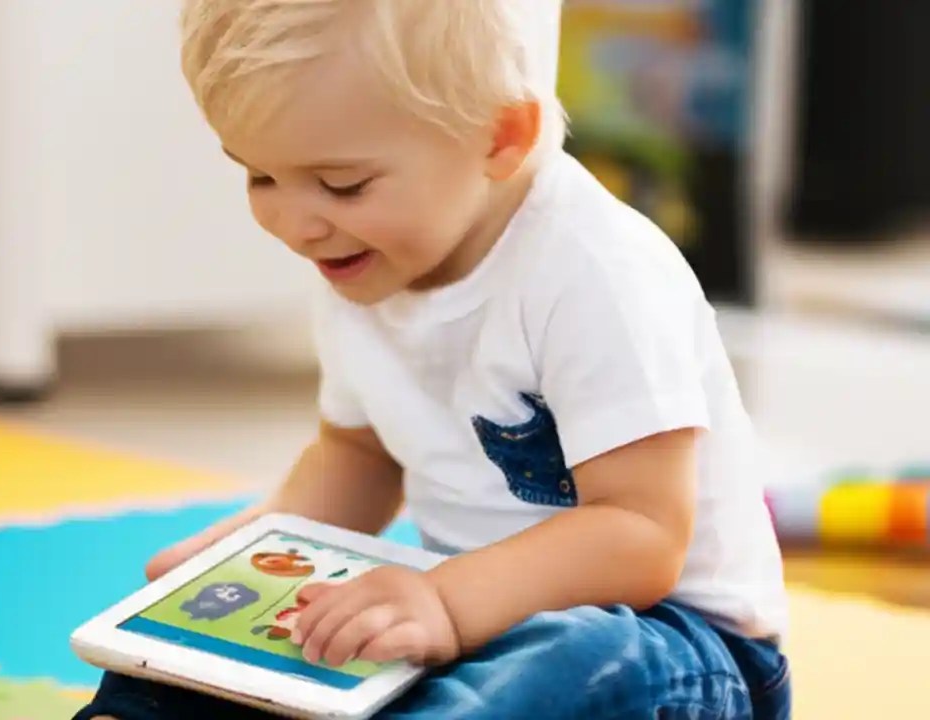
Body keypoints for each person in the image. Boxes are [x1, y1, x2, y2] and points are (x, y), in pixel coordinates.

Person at [77, 1, 789, 717]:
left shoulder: (595, 271)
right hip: (461, 615)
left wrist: (448, 601)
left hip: (675, 646)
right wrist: (246, 556)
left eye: (343, 185)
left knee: (564, 660)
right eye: (259, 177)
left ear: (499, 137)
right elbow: (358, 457)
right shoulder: (366, 255)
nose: (294, 225)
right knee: (199, 663)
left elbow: (642, 535)